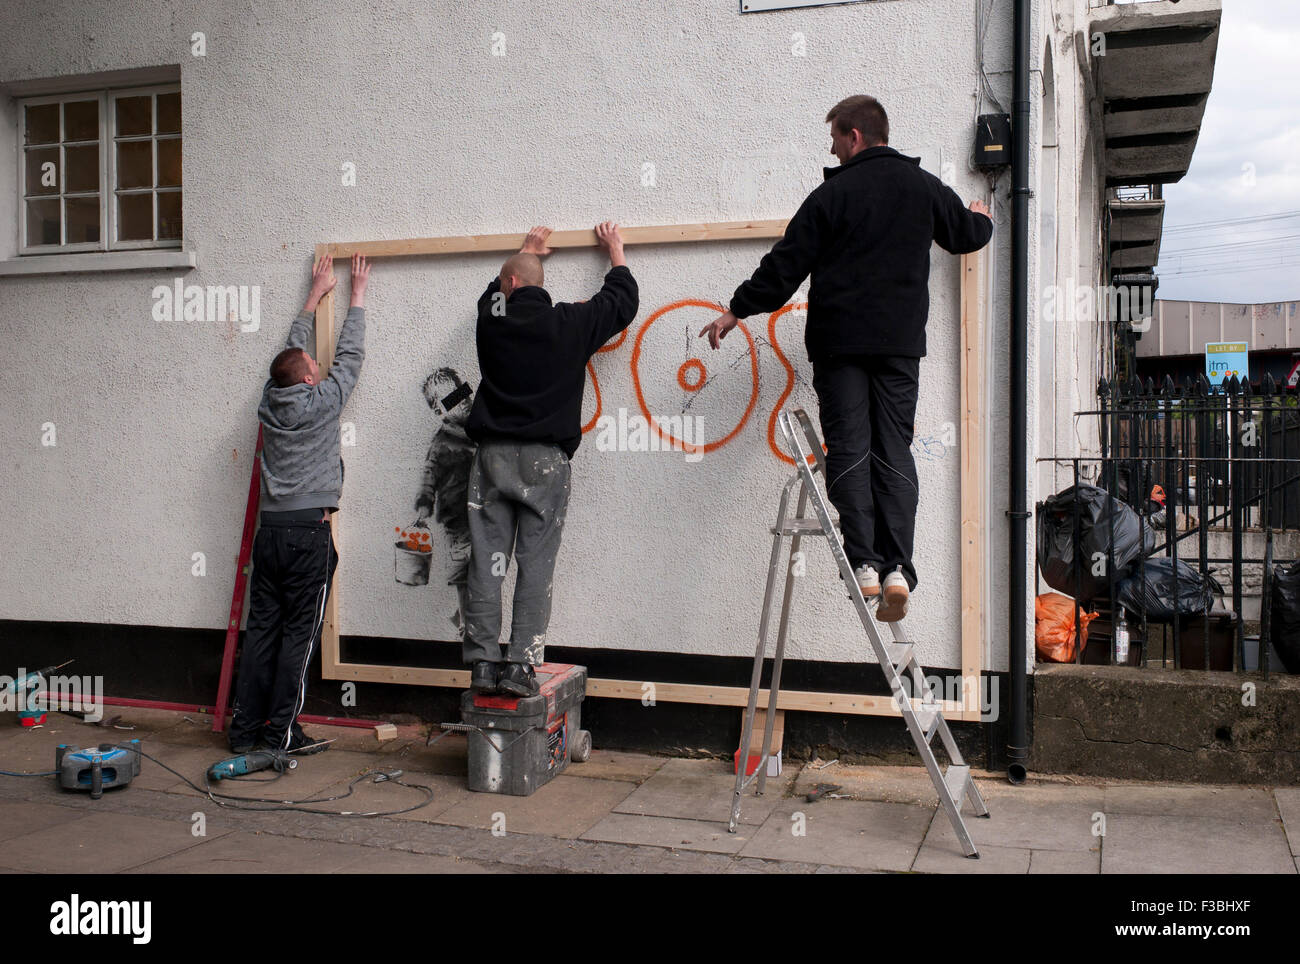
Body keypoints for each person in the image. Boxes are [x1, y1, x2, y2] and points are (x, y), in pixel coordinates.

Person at [699, 95, 992, 622]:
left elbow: (783, 268)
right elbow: (966, 236)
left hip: (839, 348)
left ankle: (865, 566)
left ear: (854, 136)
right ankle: (899, 566)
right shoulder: (921, 187)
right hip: (899, 346)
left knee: (850, 448)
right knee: (893, 449)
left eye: (834, 138)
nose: (831, 150)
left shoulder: (830, 197)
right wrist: (982, 218)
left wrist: (735, 311)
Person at [463, 223, 638, 696]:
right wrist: (616, 253)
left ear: (510, 285)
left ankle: (482, 664)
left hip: (492, 458)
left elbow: (490, 295)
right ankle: (520, 667)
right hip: (545, 461)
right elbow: (622, 302)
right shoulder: (570, 322)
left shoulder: (493, 317)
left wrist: (523, 252)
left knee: (487, 561)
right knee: (535, 563)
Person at [229, 252, 371, 753]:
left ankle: (245, 732)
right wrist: (356, 296)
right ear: (310, 379)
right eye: (315, 363)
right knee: (298, 639)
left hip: (270, 535)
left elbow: (290, 356)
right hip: (308, 536)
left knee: (263, 630)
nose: (318, 362)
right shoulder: (322, 403)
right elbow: (350, 360)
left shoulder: (271, 399)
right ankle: (282, 735)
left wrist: (313, 297)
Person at [414, 367, 476, 636]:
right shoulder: (441, 442)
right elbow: (430, 471)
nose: (463, 401)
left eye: (463, 394)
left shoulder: (478, 427)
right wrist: (424, 503)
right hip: (455, 516)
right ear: (439, 411)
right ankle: (464, 619)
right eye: (453, 399)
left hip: (482, 512)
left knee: (481, 566)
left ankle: (473, 615)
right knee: (462, 568)